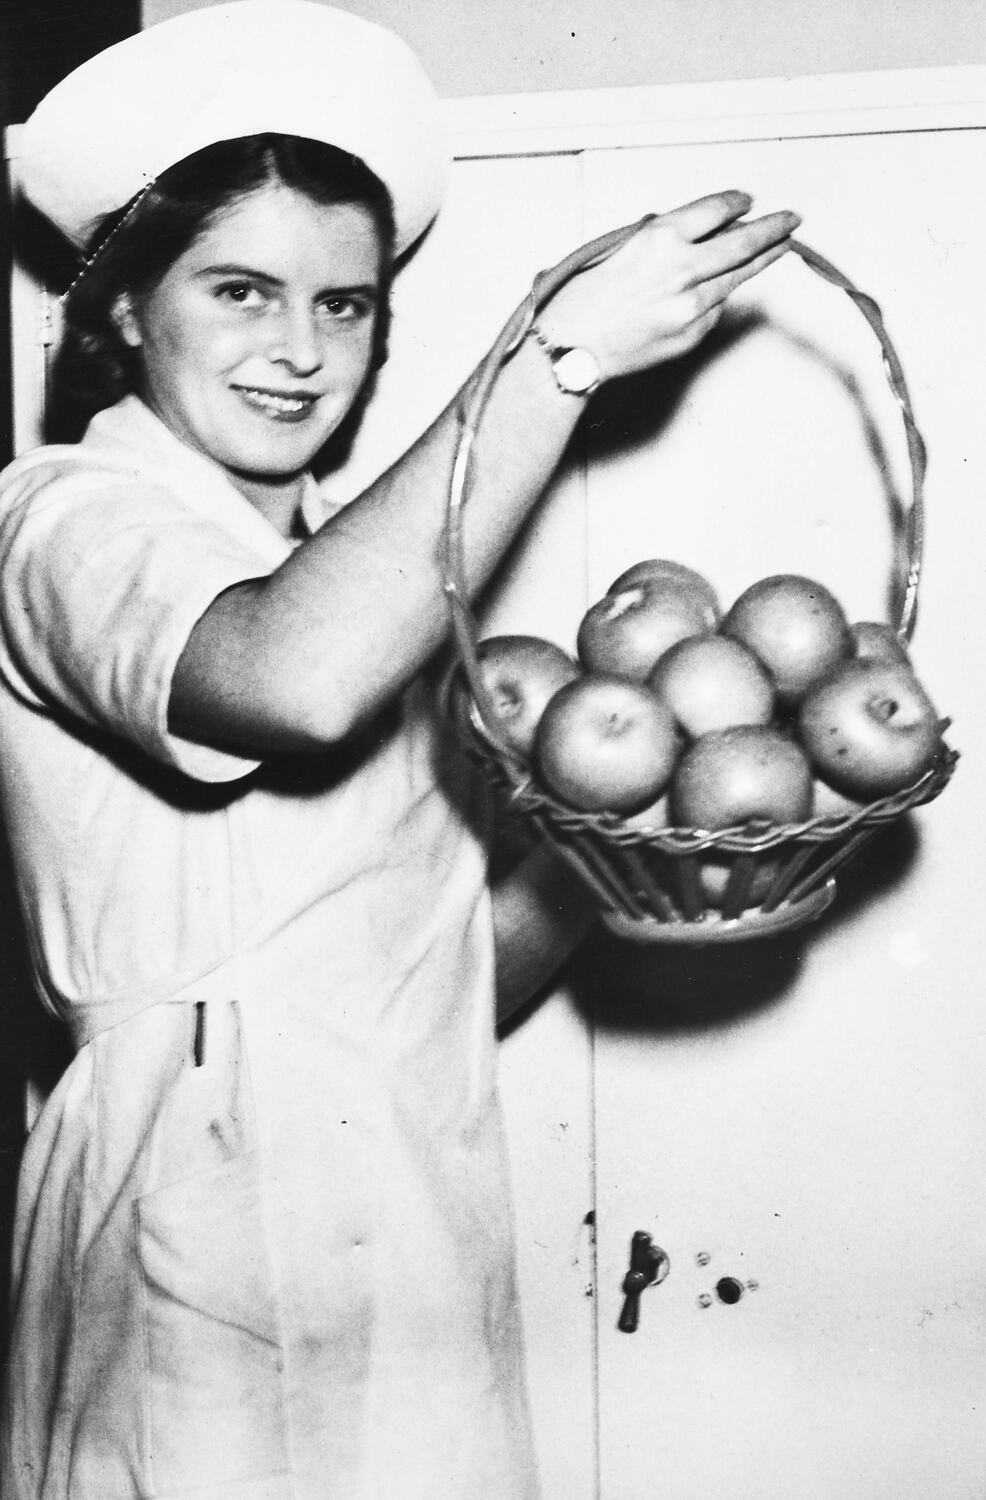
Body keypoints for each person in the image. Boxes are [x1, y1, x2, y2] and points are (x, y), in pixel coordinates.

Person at [0, 3, 800, 1496]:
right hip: (187, 1220)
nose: (301, 352)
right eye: (242, 290)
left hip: (415, 1227)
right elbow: (281, 679)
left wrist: (602, 849)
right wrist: (549, 363)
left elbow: (431, 982)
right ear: (119, 311)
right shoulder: (60, 519)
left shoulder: (361, 582)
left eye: (346, 305)